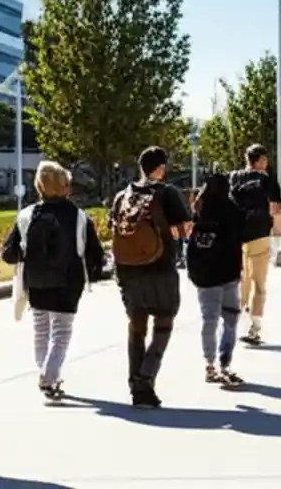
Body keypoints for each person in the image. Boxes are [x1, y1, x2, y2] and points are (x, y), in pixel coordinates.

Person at [2, 161, 103, 403]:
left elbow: (8, 253)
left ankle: (48, 373)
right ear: (66, 186)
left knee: (41, 329)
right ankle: (49, 376)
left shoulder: (26, 216)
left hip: (36, 281)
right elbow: (94, 255)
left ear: (39, 187)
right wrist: (96, 272)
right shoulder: (80, 217)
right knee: (61, 331)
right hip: (69, 282)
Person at [110, 146, 191, 408]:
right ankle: (146, 377)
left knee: (136, 327)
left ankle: (136, 384)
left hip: (129, 272)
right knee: (164, 323)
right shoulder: (167, 193)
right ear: (161, 168)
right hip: (160, 269)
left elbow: (116, 230)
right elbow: (183, 231)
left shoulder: (123, 195)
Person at [186, 172, 246, 388]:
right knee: (230, 320)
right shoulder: (232, 210)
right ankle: (225, 362)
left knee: (209, 320)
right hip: (228, 274)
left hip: (206, 278)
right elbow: (246, 232)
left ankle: (209, 365)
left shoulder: (199, 211)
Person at [229, 144, 281, 347]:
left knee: (242, 280)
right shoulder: (268, 181)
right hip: (259, 234)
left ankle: (237, 319)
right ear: (260, 161)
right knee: (259, 283)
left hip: (237, 237)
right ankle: (254, 327)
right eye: (265, 160)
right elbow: (276, 210)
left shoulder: (234, 178)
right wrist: (279, 237)